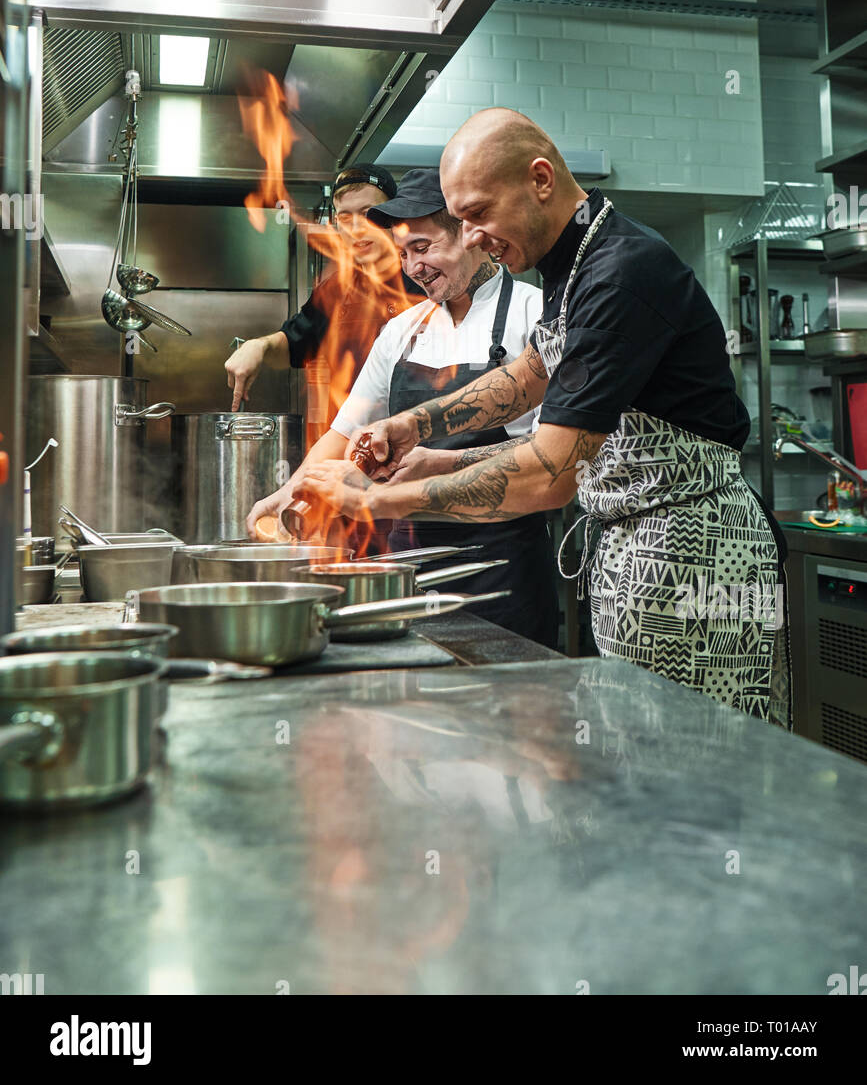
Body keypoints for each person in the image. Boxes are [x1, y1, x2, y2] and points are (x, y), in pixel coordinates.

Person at [292, 108, 791, 728]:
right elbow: (530, 375)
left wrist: (381, 502)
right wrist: (417, 429)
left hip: (695, 558)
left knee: (701, 763)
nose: (471, 237)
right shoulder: (573, 259)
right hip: (637, 546)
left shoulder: (620, 272)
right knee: (637, 756)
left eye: (477, 214)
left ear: (540, 179)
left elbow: (551, 471)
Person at [246, 168, 562, 647]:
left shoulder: (534, 314)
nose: (412, 268)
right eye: (403, 253)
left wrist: (435, 465)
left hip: (503, 564)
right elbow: (345, 432)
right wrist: (292, 490)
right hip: (409, 564)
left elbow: (550, 455)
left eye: (423, 248)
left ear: (472, 236)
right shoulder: (403, 330)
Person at [224, 163, 421, 419]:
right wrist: (259, 346)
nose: (357, 227)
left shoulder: (425, 278)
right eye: (345, 216)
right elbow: (294, 343)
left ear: (394, 216)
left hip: (419, 442)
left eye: (369, 212)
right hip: (351, 441)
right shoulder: (336, 290)